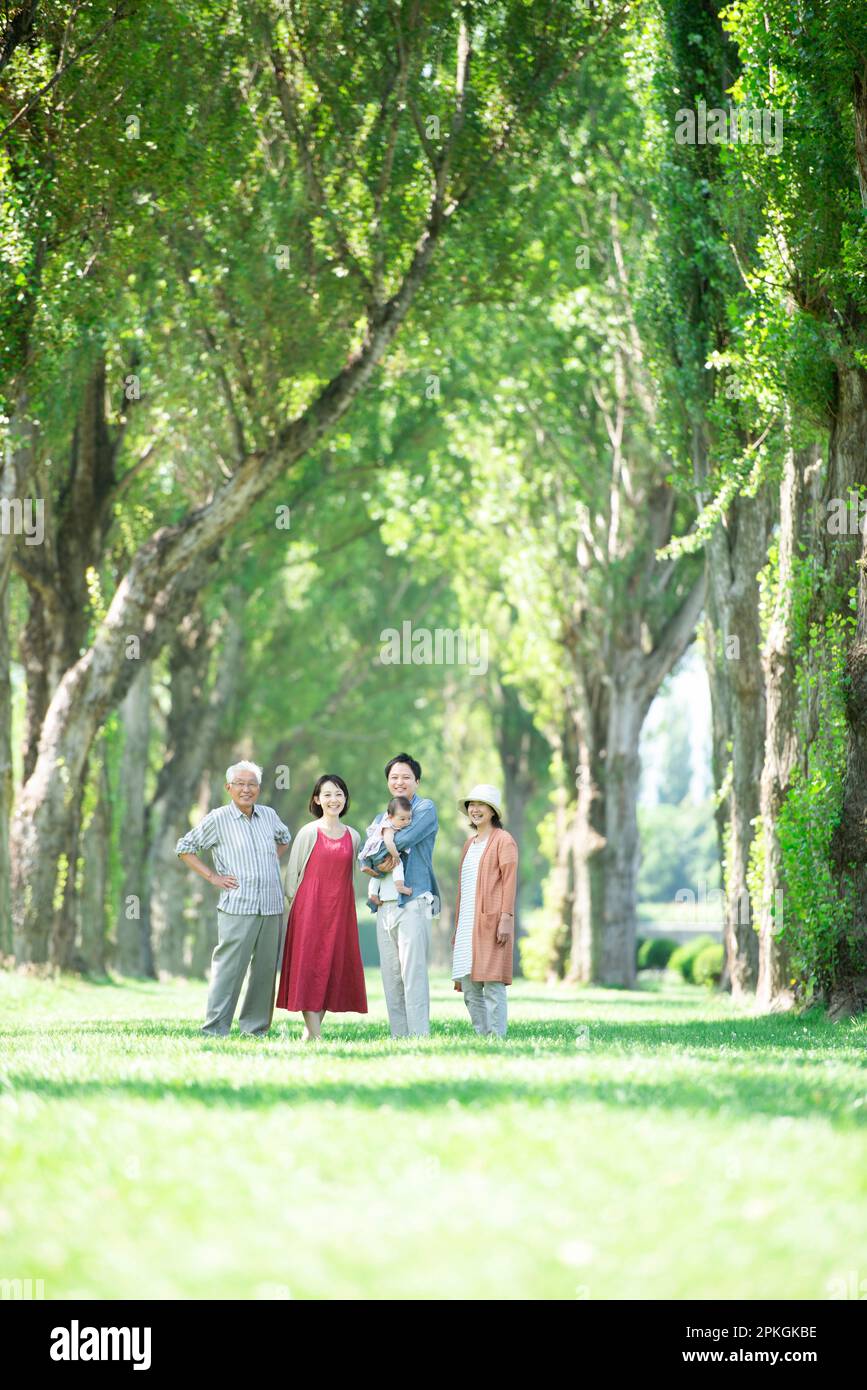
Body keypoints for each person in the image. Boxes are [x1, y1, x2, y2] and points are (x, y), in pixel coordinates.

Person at [176, 760, 291, 1038]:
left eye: (252, 784)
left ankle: (255, 1029)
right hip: (238, 905)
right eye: (240, 784)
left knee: (264, 973)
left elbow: (284, 837)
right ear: (229, 788)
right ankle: (215, 1029)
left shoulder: (268, 815)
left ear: (259, 789)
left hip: (272, 905)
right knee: (228, 971)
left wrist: (268, 863)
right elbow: (184, 848)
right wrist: (213, 877)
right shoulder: (218, 818)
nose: (246, 789)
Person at [277, 774, 367, 1042]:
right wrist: (298, 910)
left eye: (339, 793)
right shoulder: (308, 832)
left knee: (330, 968)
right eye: (327, 794)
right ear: (317, 799)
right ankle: (316, 1035)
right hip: (309, 908)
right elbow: (292, 876)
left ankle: (310, 1033)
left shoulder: (353, 836)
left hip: (340, 911)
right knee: (309, 966)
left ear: (345, 799)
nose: (333, 799)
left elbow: (354, 875)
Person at [374, 753, 440, 1038]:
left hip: (413, 900)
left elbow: (402, 840)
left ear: (417, 781)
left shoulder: (425, 809)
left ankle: (419, 1036)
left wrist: (375, 852)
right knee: (391, 976)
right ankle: (399, 1036)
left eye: (405, 777)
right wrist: (374, 856)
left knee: (412, 973)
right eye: (394, 777)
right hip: (385, 903)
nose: (399, 782)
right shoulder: (383, 816)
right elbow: (370, 861)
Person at [451, 784, 518, 1039]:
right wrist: (458, 929)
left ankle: (497, 1037)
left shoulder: (504, 841)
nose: (475, 809)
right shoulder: (469, 844)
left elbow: (509, 882)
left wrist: (506, 918)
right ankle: (482, 1035)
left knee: (492, 983)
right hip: (467, 924)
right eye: (471, 805)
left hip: (491, 923)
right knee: (469, 987)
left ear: (493, 811)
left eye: (481, 805)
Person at [358, 795, 414, 909]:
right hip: (378, 851)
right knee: (397, 864)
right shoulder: (388, 827)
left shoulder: (390, 822)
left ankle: (372, 894)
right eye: (402, 819)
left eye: (409, 818)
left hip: (373, 853)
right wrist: (395, 855)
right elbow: (389, 842)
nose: (406, 822)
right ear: (390, 816)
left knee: (378, 874)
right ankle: (400, 886)